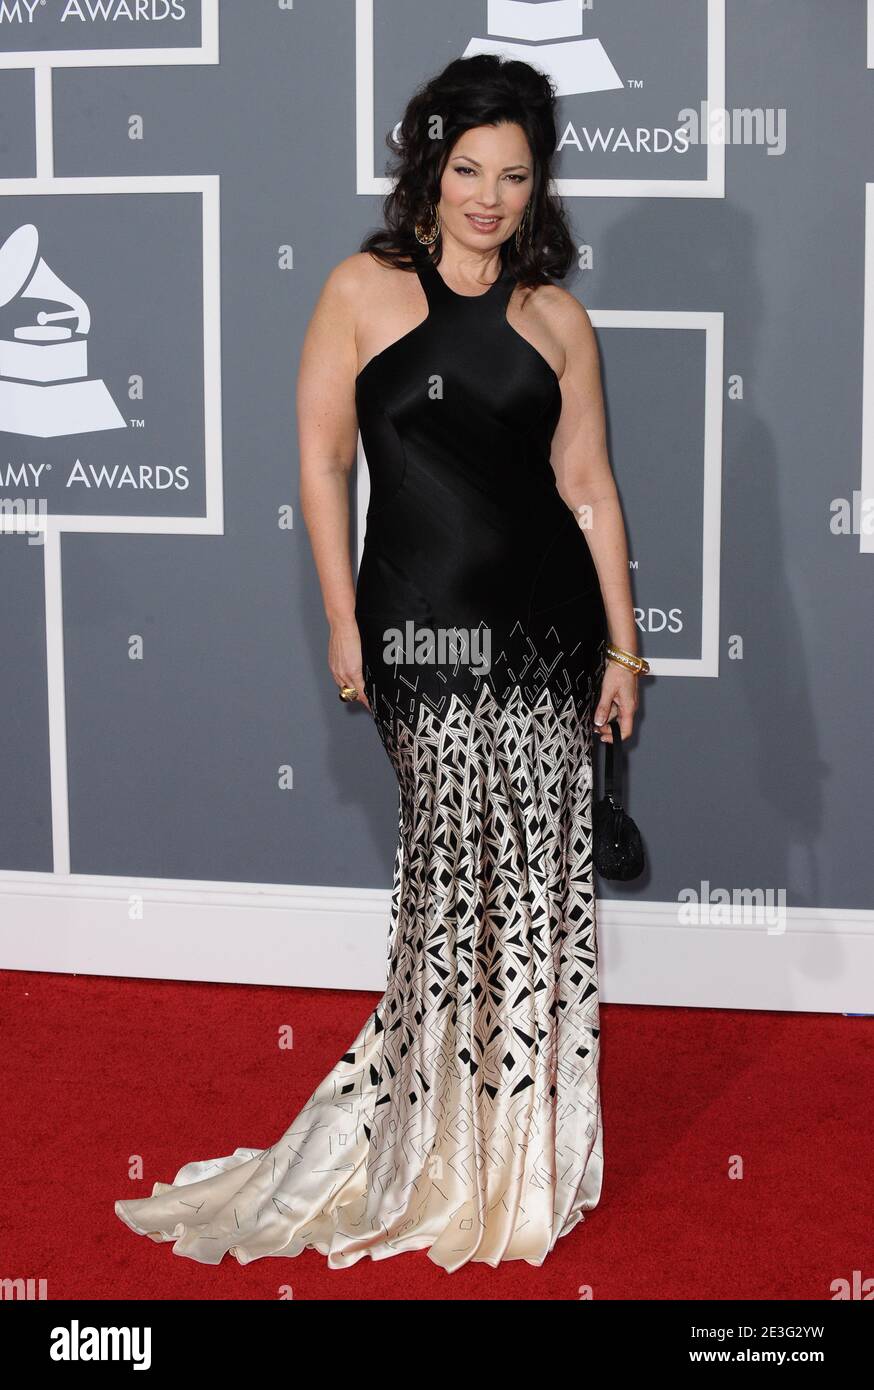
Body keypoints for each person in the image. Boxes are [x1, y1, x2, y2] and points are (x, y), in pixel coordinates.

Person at [113, 53, 644, 1273]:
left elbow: (591, 490)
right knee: (449, 887)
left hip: (545, 636)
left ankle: (518, 1148)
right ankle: (432, 1147)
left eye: (515, 175)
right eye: (469, 169)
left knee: (537, 894)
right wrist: (346, 628)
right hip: (420, 630)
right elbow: (319, 466)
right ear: (429, 163)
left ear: (538, 182)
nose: (490, 197)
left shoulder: (556, 318)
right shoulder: (360, 289)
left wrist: (621, 645)